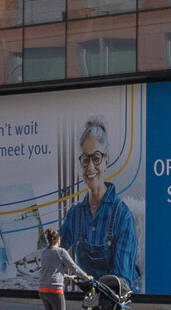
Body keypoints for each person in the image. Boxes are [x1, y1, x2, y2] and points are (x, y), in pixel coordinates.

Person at [58, 116, 141, 292]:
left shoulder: (122, 216)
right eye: (85, 159)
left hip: (122, 306)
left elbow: (122, 282)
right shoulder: (75, 215)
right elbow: (55, 251)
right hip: (92, 301)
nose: (90, 167)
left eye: (96, 158)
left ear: (106, 162)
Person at [34, 226, 89, 310]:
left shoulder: (45, 252)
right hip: (54, 290)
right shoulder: (61, 252)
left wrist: (66, 277)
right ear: (58, 240)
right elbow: (74, 267)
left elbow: (50, 272)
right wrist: (86, 277)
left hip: (43, 290)